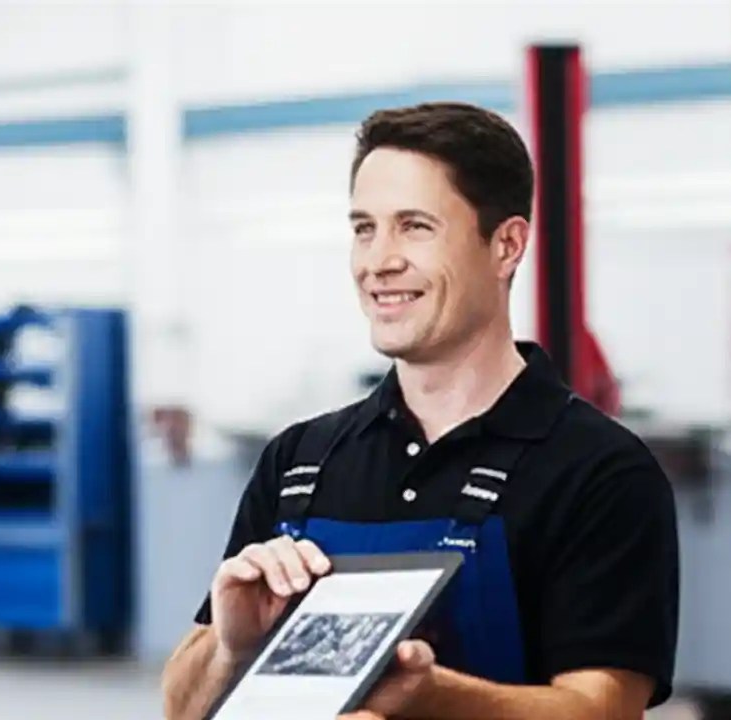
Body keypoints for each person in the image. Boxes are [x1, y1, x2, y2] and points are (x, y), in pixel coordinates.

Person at [160, 102, 680, 720]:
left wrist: (430, 698)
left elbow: (602, 711)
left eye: (414, 227)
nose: (379, 261)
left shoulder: (599, 473)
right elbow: (181, 710)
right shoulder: (298, 463)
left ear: (507, 245)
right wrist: (232, 645)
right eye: (363, 228)